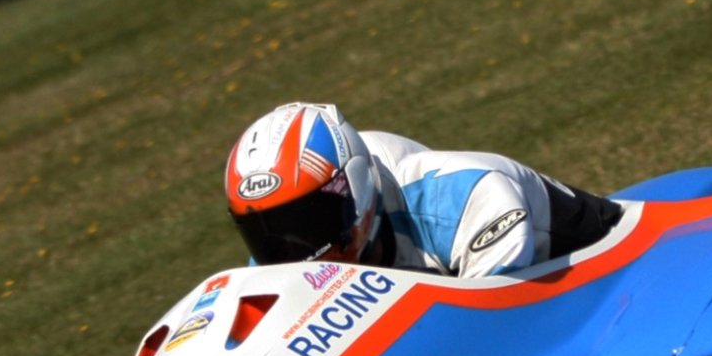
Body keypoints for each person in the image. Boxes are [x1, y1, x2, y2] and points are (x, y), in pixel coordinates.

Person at [224, 102, 622, 276]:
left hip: (607, 275)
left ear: (357, 192)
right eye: (268, 235)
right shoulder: (274, 267)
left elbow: (498, 337)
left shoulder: (471, 199)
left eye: (307, 223)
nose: (293, 253)